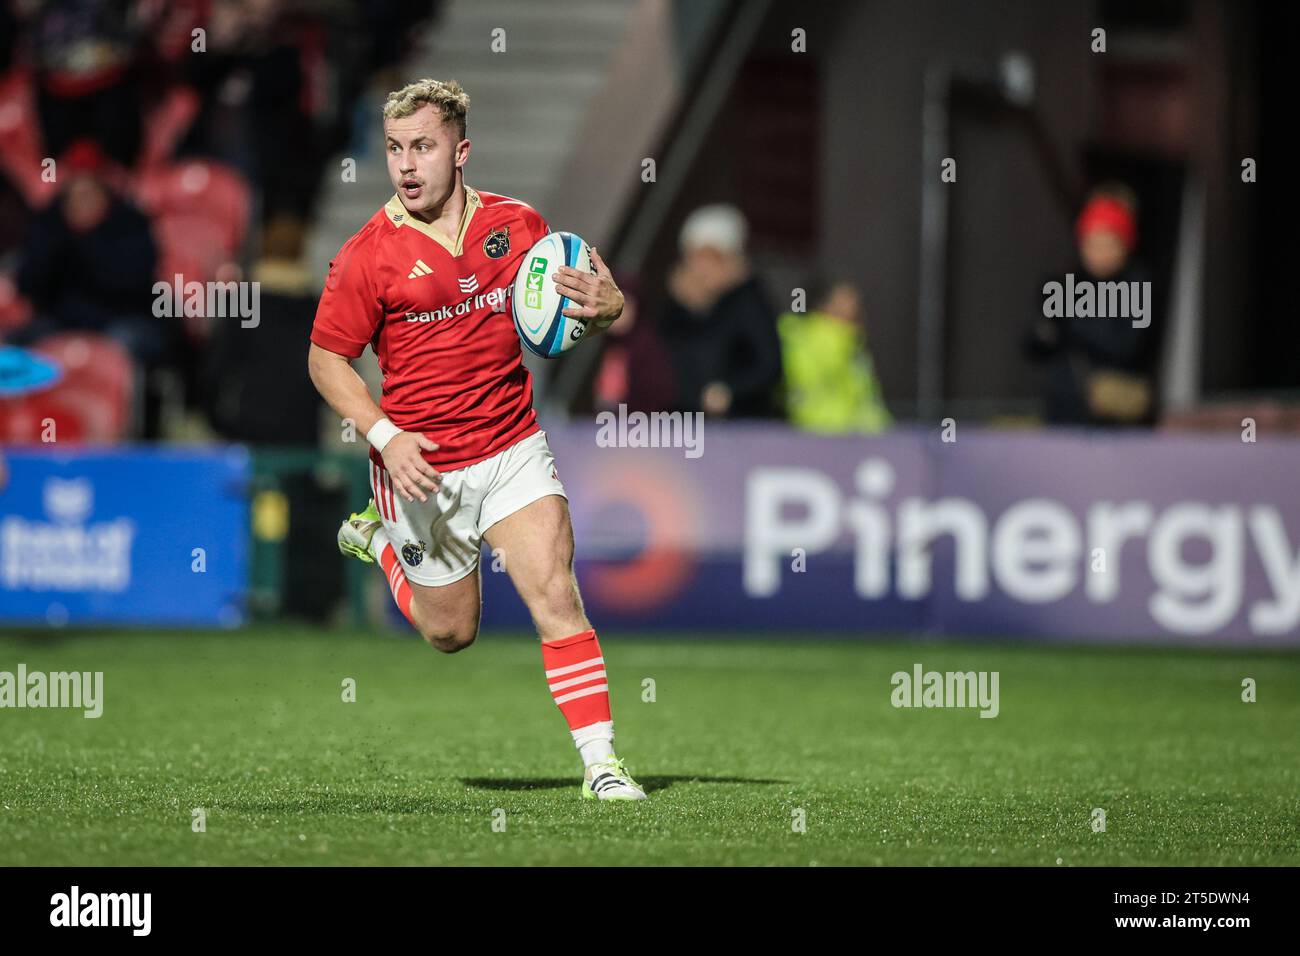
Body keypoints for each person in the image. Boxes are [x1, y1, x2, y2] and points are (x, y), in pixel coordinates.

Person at [306, 79, 644, 801]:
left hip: (512, 444)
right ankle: (381, 545)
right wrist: (384, 435)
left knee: (555, 594)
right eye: (395, 148)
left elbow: (563, 319)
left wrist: (608, 309)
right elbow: (324, 358)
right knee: (451, 635)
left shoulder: (521, 226)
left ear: (460, 151)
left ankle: (603, 766)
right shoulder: (368, 255)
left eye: (422, 147)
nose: (406, 164)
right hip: (420, 465)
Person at [1025, 184, 1159, 425]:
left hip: (1119, 418)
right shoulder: (1070, 283)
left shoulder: (1137, 285)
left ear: (1124, 245)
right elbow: (1035, 347)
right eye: (1092, 243)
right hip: (1066, 413)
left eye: (1107, 243)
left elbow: (1124, 346)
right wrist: (1047, 329)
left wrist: (1070, 321)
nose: (1099, 252)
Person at [660, 204, 782, 418]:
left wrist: (730, 391)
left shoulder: (748, 303)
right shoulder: (678, 309)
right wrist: (688, 307)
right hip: (686, 426)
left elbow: (769, 365)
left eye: (710, 258)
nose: (701, 268)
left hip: (741, 428)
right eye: (694, 257)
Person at [778, 278, 891, 433]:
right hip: (826, 434)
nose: (854, 307)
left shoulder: (851, 341)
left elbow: (865, 398)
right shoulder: (811, 341)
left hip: (854, 435)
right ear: (824, 304)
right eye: (844, 300)